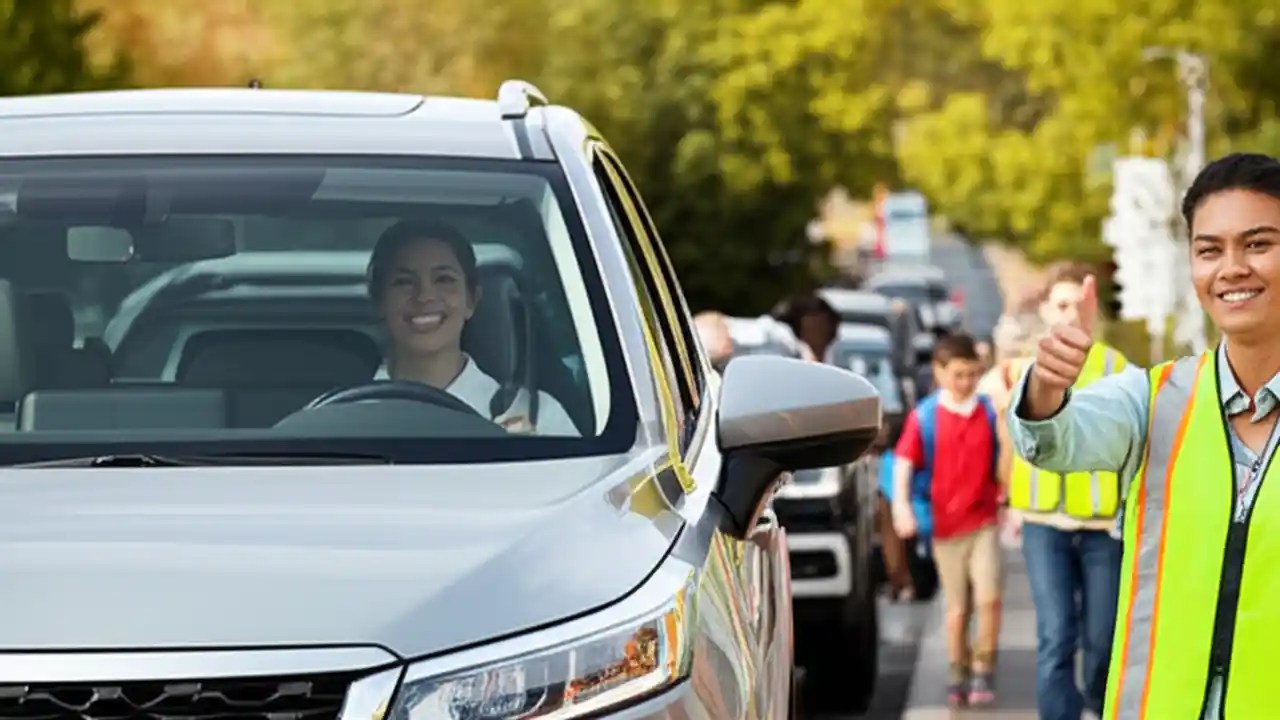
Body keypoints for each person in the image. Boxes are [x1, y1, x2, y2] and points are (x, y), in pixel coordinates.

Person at [1008, 153, 1280, 720]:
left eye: (1258, 244)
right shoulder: (1154, 400)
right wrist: (1046, 385)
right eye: (1209, 250)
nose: (1231, 268)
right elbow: (1054, 438)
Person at [983, 262, 1131, 720]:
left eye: (1077, 304)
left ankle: (1096, 705)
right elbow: (975, 410)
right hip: (1043, 525)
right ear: (1045, 310)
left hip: (1102, 526)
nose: (1068, 314)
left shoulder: (1116, 366)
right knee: (1055, 637)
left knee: (1103, 641)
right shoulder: (1017, 371)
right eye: (1060, 305)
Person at [367, 219, 578, 436]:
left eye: (444, 279)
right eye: (404, 282)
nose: (425, 296)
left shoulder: (537, 415)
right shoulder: (343, 413)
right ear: (379, 301)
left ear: (471, 301)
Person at [893, 333, 1003, 707]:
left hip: (983, 520)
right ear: (939, 373)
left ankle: (983, 668)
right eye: (958, 374)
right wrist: (902, 509)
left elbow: (1004, 462)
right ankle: (958, 670)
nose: (966, 382)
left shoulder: (987, 412)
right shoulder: (925, 416)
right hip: (945, 528)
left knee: (989, 598)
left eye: (973, 374)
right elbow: (904, 464)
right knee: (958, 608)